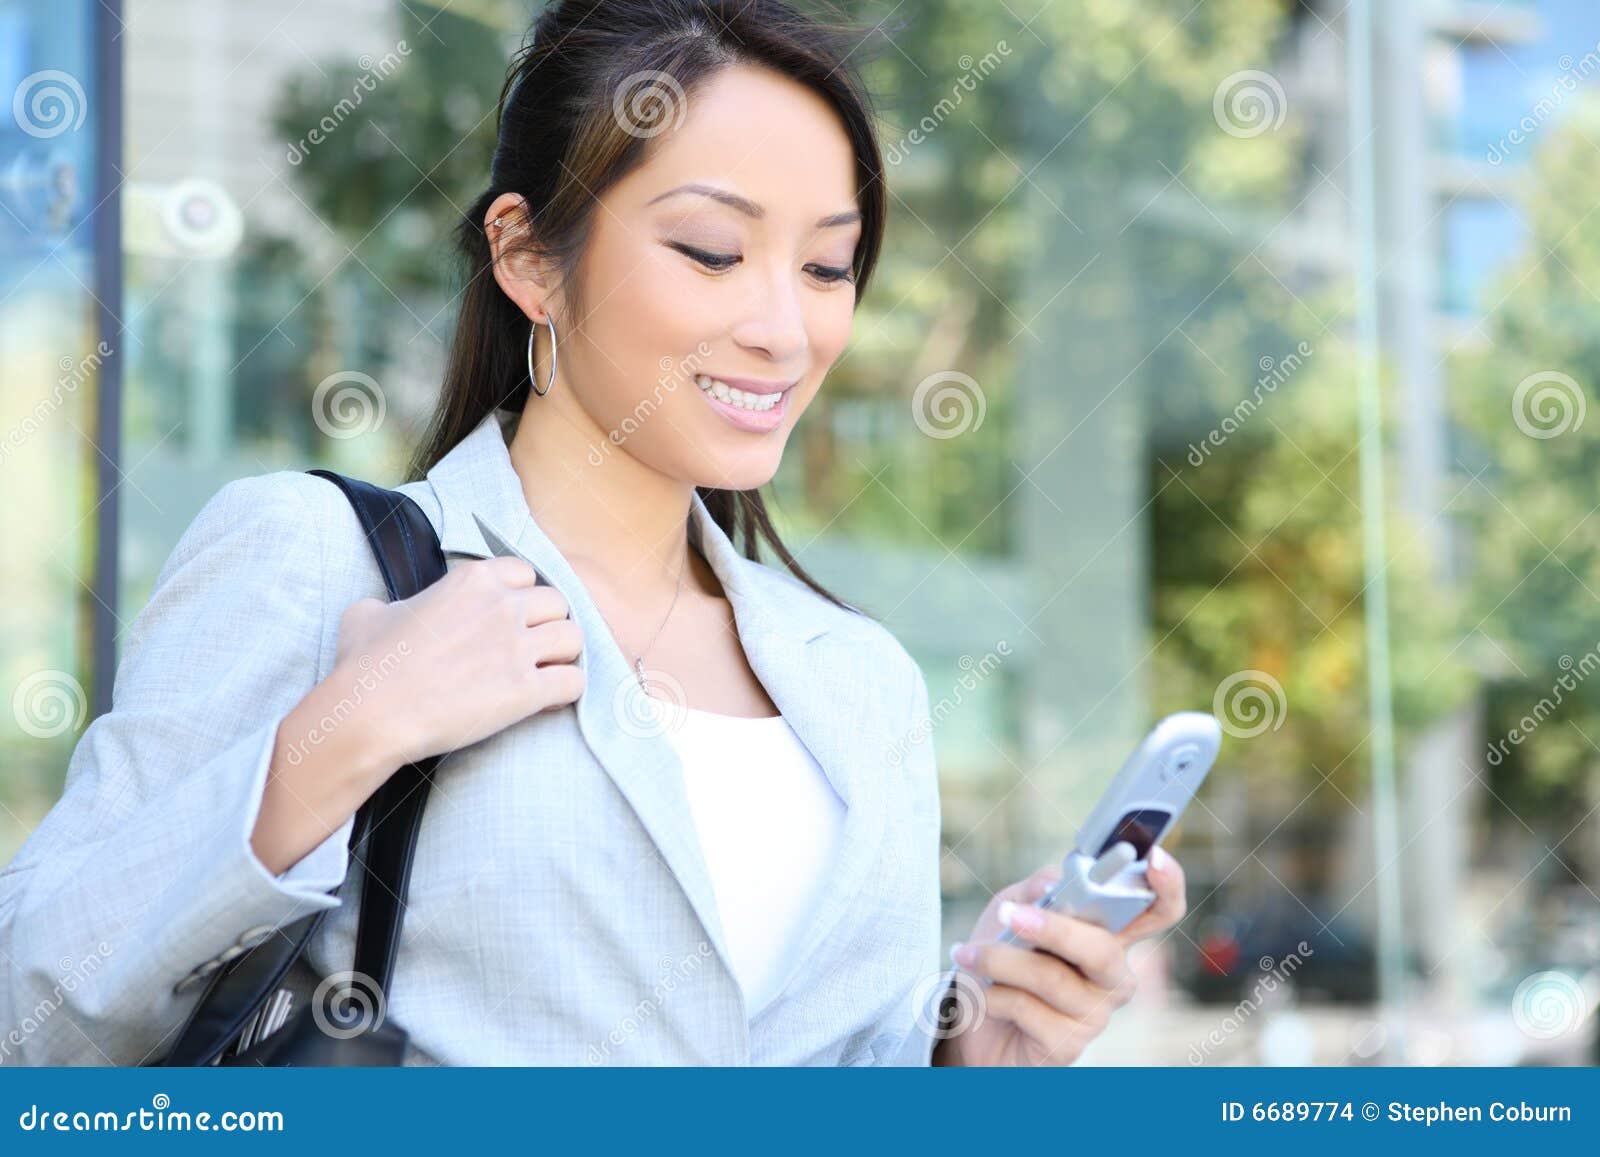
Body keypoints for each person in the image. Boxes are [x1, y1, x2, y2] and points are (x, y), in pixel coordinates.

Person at [0, 0, 1185, 1067]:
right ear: (526, 256)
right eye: (712, 251)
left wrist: (972, 1048)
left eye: (828, 264)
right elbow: (32, 1015)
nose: (786, 327)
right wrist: (344, 730)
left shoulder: (864, 684)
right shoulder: (319, 560)